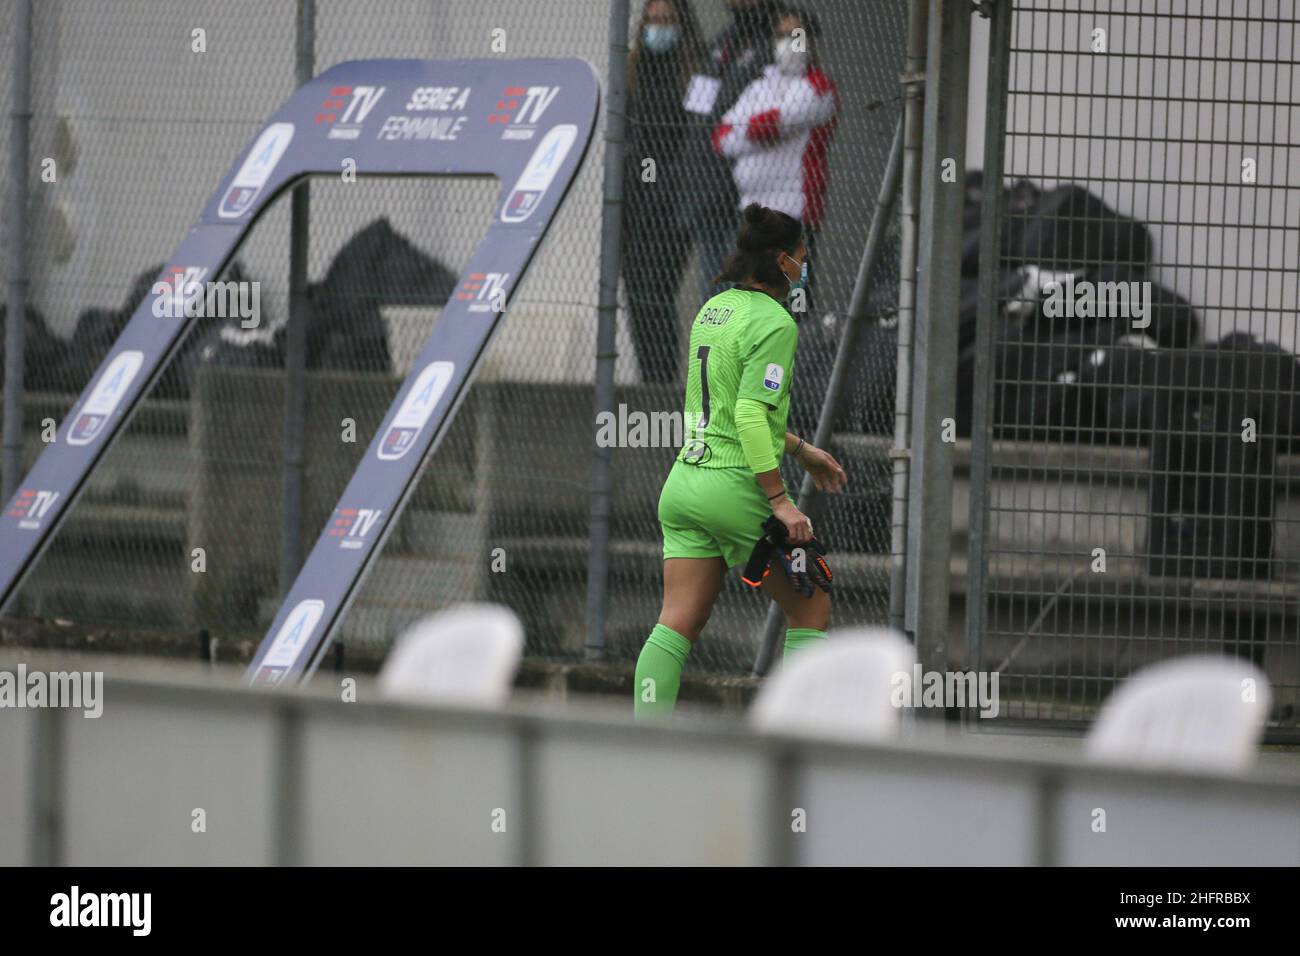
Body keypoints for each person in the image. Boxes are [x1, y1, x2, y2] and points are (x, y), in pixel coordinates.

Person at [634, 203, 848, 720]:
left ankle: (643, 748)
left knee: (677, 621)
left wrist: (803, 449)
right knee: (812, 606)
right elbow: (751, 413)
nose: (805, 265)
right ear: (782, 260)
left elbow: (729, 408)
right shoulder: (776, 323)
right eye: (801, 256)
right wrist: (780, 501)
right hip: (735, 488)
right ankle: (799, 747)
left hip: (685, 483)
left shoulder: (716, 308)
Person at [712, 6, 839, 315]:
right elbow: (723, 138)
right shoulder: (760, 85)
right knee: (748, 300)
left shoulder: (818, 87)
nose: (788, 43)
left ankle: (797, 357)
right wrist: (764, 130)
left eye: (796, 36)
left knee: (794, 299)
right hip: (753, 212)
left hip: (794, 214)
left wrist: (757, 129)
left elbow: (775, 121)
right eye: (782, 36)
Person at [623, 0, 708, 384]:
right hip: (634, 199)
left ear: (683, 25)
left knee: (659, 290)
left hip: (674, 199)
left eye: (668, 20)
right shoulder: (631, 70)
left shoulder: (697, 71)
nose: (659, 28)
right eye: (653, 20)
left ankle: (661, 381)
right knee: (637, 293)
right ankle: (648, 379)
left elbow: (700, 135)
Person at [680, 0, 783, 303]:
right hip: (706, 184)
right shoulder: (721, 44)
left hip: (750, 190)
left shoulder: (776, 40)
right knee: (713, 286)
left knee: (745, 287)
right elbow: (697, 111)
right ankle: (715, 349)